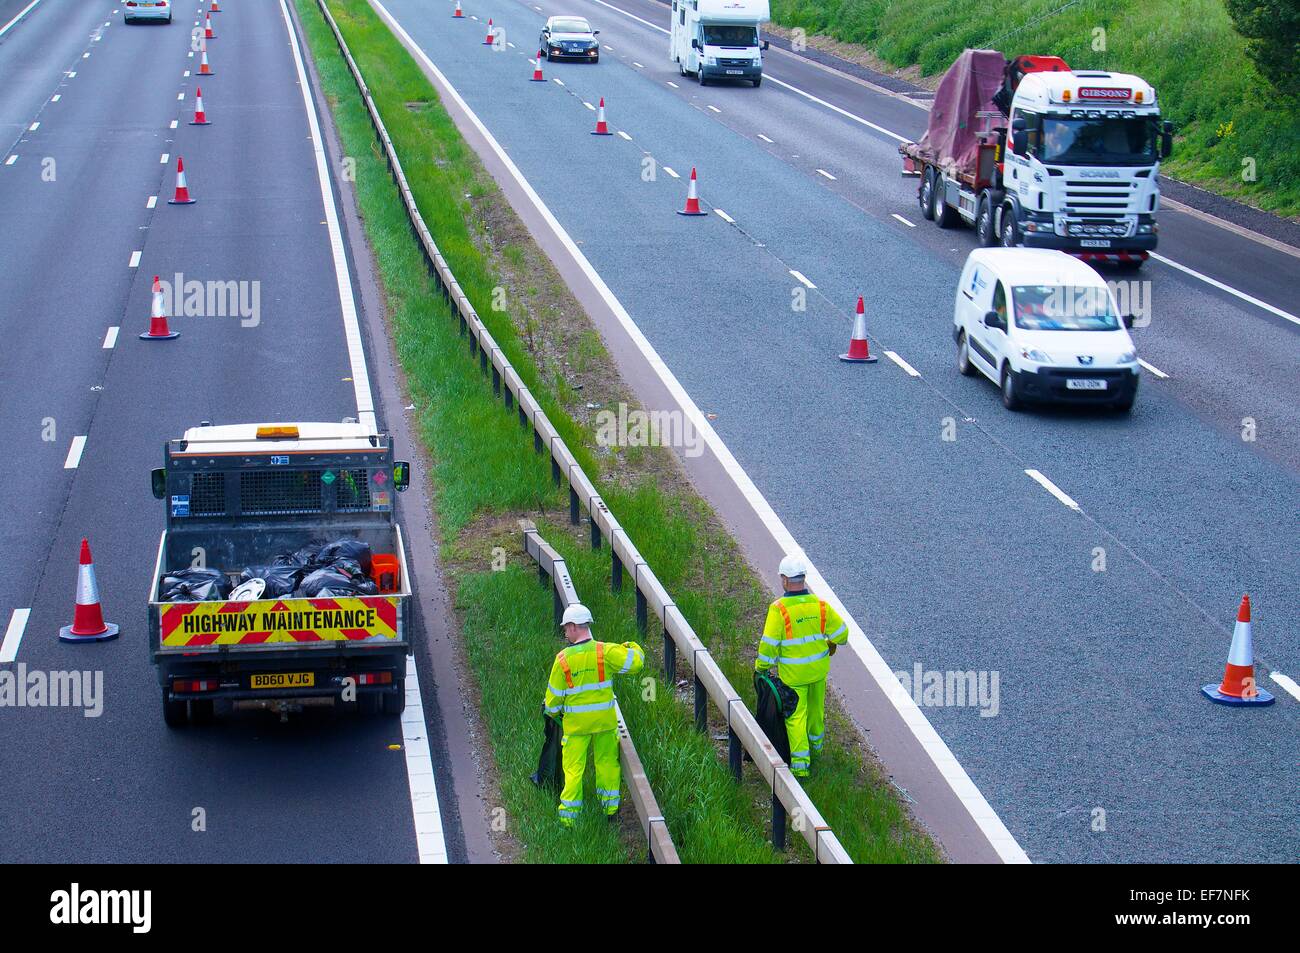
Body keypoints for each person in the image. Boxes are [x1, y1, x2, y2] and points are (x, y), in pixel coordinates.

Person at [543, 604, 644, 824]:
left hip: (576, 728)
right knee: (607, 764)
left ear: (573, 627)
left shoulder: (562, 660)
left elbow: (552, 701)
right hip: (605, 724)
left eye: (565, 628)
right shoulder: (605, 651)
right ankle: (611, 811)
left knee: (573, 770)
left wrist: (552, 713)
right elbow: (636, 663)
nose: (564, 632)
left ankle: (569, 820)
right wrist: (631, 646)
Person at [754, 555, 848, 777]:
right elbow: (842, 635)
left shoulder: (779, 609)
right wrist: (829, 643)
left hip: (793, 676)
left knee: (796, 717)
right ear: (803, 579)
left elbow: (769, 644)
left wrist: (762, 667)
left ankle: (800, 767)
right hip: (818, 673)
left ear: (785, 580)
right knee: (816, 714)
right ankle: (817, 752)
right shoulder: (820, 606)